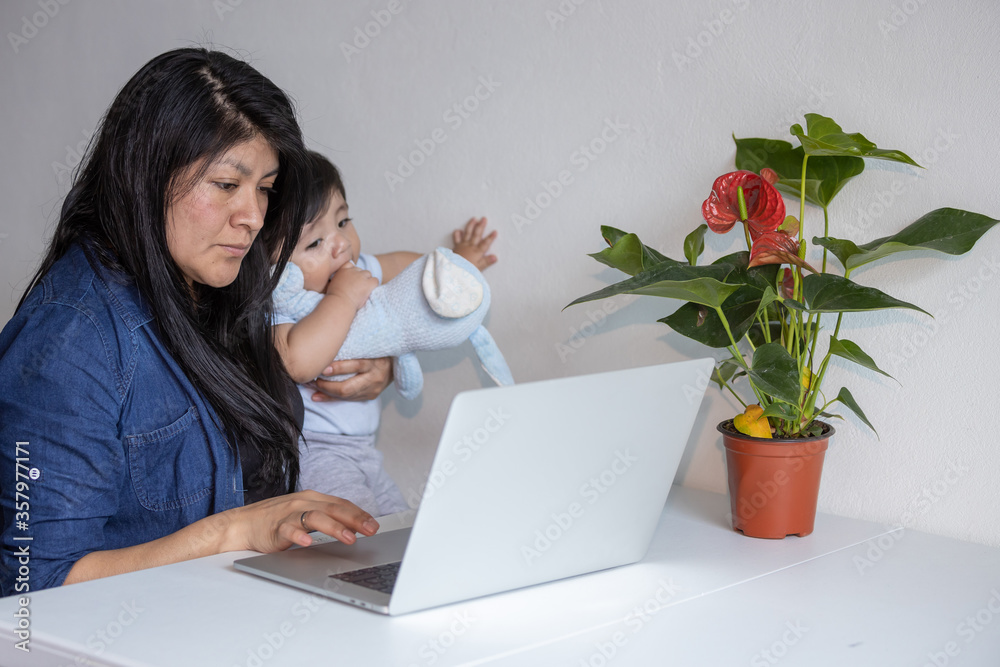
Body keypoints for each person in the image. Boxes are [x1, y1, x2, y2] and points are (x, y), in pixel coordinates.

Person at [0, 48, 392, 596]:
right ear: (145, 176)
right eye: (227, 185)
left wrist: (373, 367)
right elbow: (29, 588)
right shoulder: (68, 341)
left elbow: (291, 351)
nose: (253, 216)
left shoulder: (219, 280)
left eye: (265, 188)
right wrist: (235, 532)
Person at [271, 152, 499, 516]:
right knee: (358, 536)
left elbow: (411, 269)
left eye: (343, 221)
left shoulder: (357, 268)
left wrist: (457, 265)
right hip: (316, 452)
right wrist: (343, 297)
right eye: (314, 243)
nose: (340, 244)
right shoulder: (287, 302)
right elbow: (297, 361)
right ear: (272, 263)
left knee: (399, 527)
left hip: (364, 449)